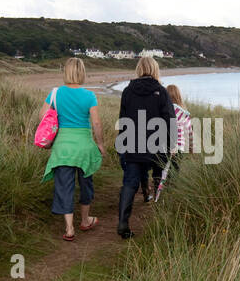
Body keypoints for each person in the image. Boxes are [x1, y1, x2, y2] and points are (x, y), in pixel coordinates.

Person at [39, 57, 104, 241]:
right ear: (82, 72)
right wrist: (100, 143)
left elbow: (42, 116)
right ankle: (85, 220)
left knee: (64, 186)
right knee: (86, 184)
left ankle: (69, 228)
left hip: (62, 147)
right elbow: (96, 123)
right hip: (84, 147)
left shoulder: (55, 93)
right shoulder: (89, 95)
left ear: (65, 72)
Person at [116, 55, 174, 238]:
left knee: (130, 183)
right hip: (157, 145)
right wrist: (171, 144)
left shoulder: (127, 91)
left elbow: (123, 121)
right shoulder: (161, 92)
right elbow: (170, 121)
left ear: (139, 69)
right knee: (159, 179)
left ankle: (123, 223)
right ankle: (159, 222)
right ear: (155, 69)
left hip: (133, 144)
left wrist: (122, 146)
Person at [149, 83, 192, 199]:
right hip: (178, 147)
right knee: (174, 171)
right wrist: (191, 146)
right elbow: (189, 132)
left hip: (163, 145)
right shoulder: (184, 113)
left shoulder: (161, 110)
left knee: (160, 169)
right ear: (179, 96)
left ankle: (158, 191)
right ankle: (169, 194)